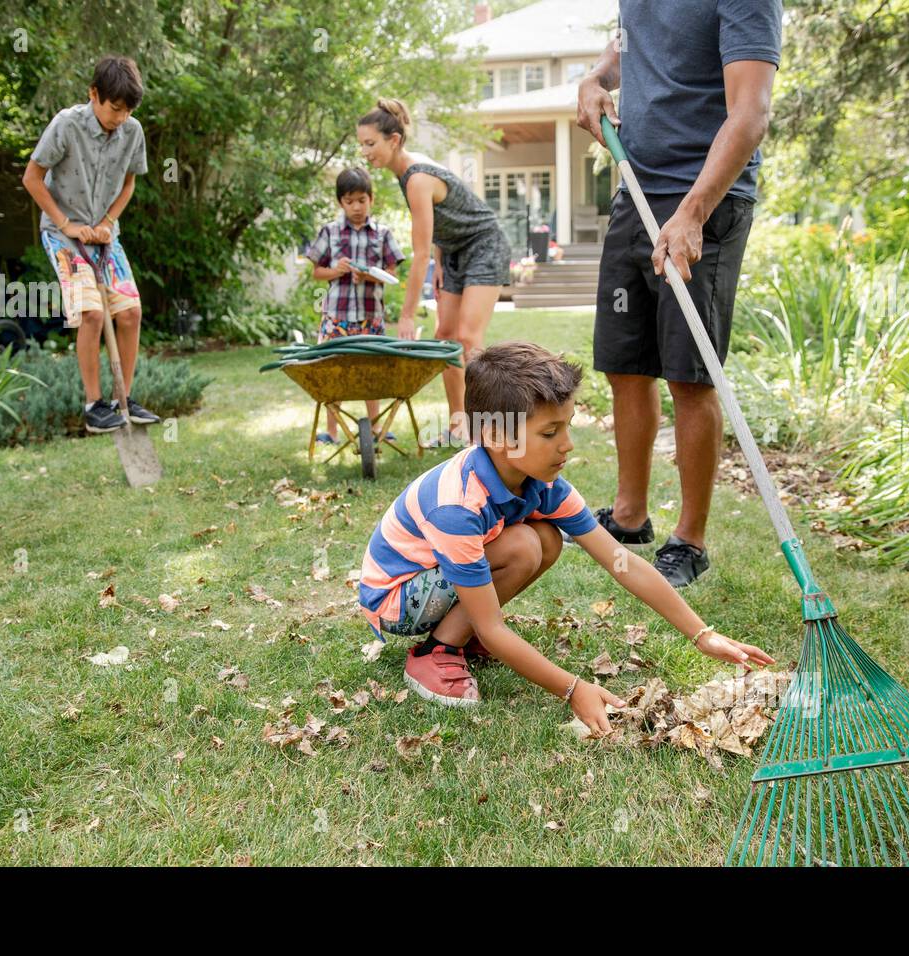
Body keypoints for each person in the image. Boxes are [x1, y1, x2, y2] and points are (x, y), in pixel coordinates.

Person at [356, 341, 774, 736]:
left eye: (567, 426)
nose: (568, 445)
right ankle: (437, 653)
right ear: (497, 436)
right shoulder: (457, 507)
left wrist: (702, 634)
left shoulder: (543, 483)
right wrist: (574, 689)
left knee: (546, 539)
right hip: (397, 598)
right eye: (550, 432)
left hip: (436, 580)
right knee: (523, 546)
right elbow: (494, 626)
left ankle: (460, 636)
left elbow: (620, 561)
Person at [576, 1, 781, 585]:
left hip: (706, 203)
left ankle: (689, 541)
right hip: (634, 190)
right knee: (625, 364)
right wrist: (595, 77)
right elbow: (626, 46)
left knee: (691, 376)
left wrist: (693, 213)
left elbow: (751, 111)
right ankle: (629, 514)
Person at [357, 98, 512, 448]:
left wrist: (408, 314)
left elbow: (419, 252)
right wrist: (441, 264)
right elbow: (446, 219)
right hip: (455, 251)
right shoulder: (406, 175)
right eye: (362, 144)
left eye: (371, 143)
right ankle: (460, 427)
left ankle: (484, 429)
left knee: (469, 339)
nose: (365, 152)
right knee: (445, 338)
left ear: (393, 140)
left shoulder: (417, 178)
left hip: (485, 245)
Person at [21, 54, 158, 434]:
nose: (120, 118)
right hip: (63, 234)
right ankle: (94, 405)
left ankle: (123, 399)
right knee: (93, 313)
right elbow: (32, 178)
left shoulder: (133, 132)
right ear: (93, 94)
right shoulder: (66, 125)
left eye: (127, 111)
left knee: (130, 312)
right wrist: (69, 224)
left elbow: (129, 183)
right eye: (114, 108)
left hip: (104, 233)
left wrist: (108, 221)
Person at [305, 166, 405, 445]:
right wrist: (336, 270)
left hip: (370, 317)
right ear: (341, 203)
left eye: (362, 200)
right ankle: (332, 432)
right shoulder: (330, 231)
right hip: (336, 316)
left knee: (370, 371)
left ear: (371, 199)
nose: (356, 207)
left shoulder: (382, 233)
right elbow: (317, 271)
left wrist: (370, 275)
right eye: (349, 202)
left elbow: (392, 274)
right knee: (334, 371)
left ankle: (374, 427)